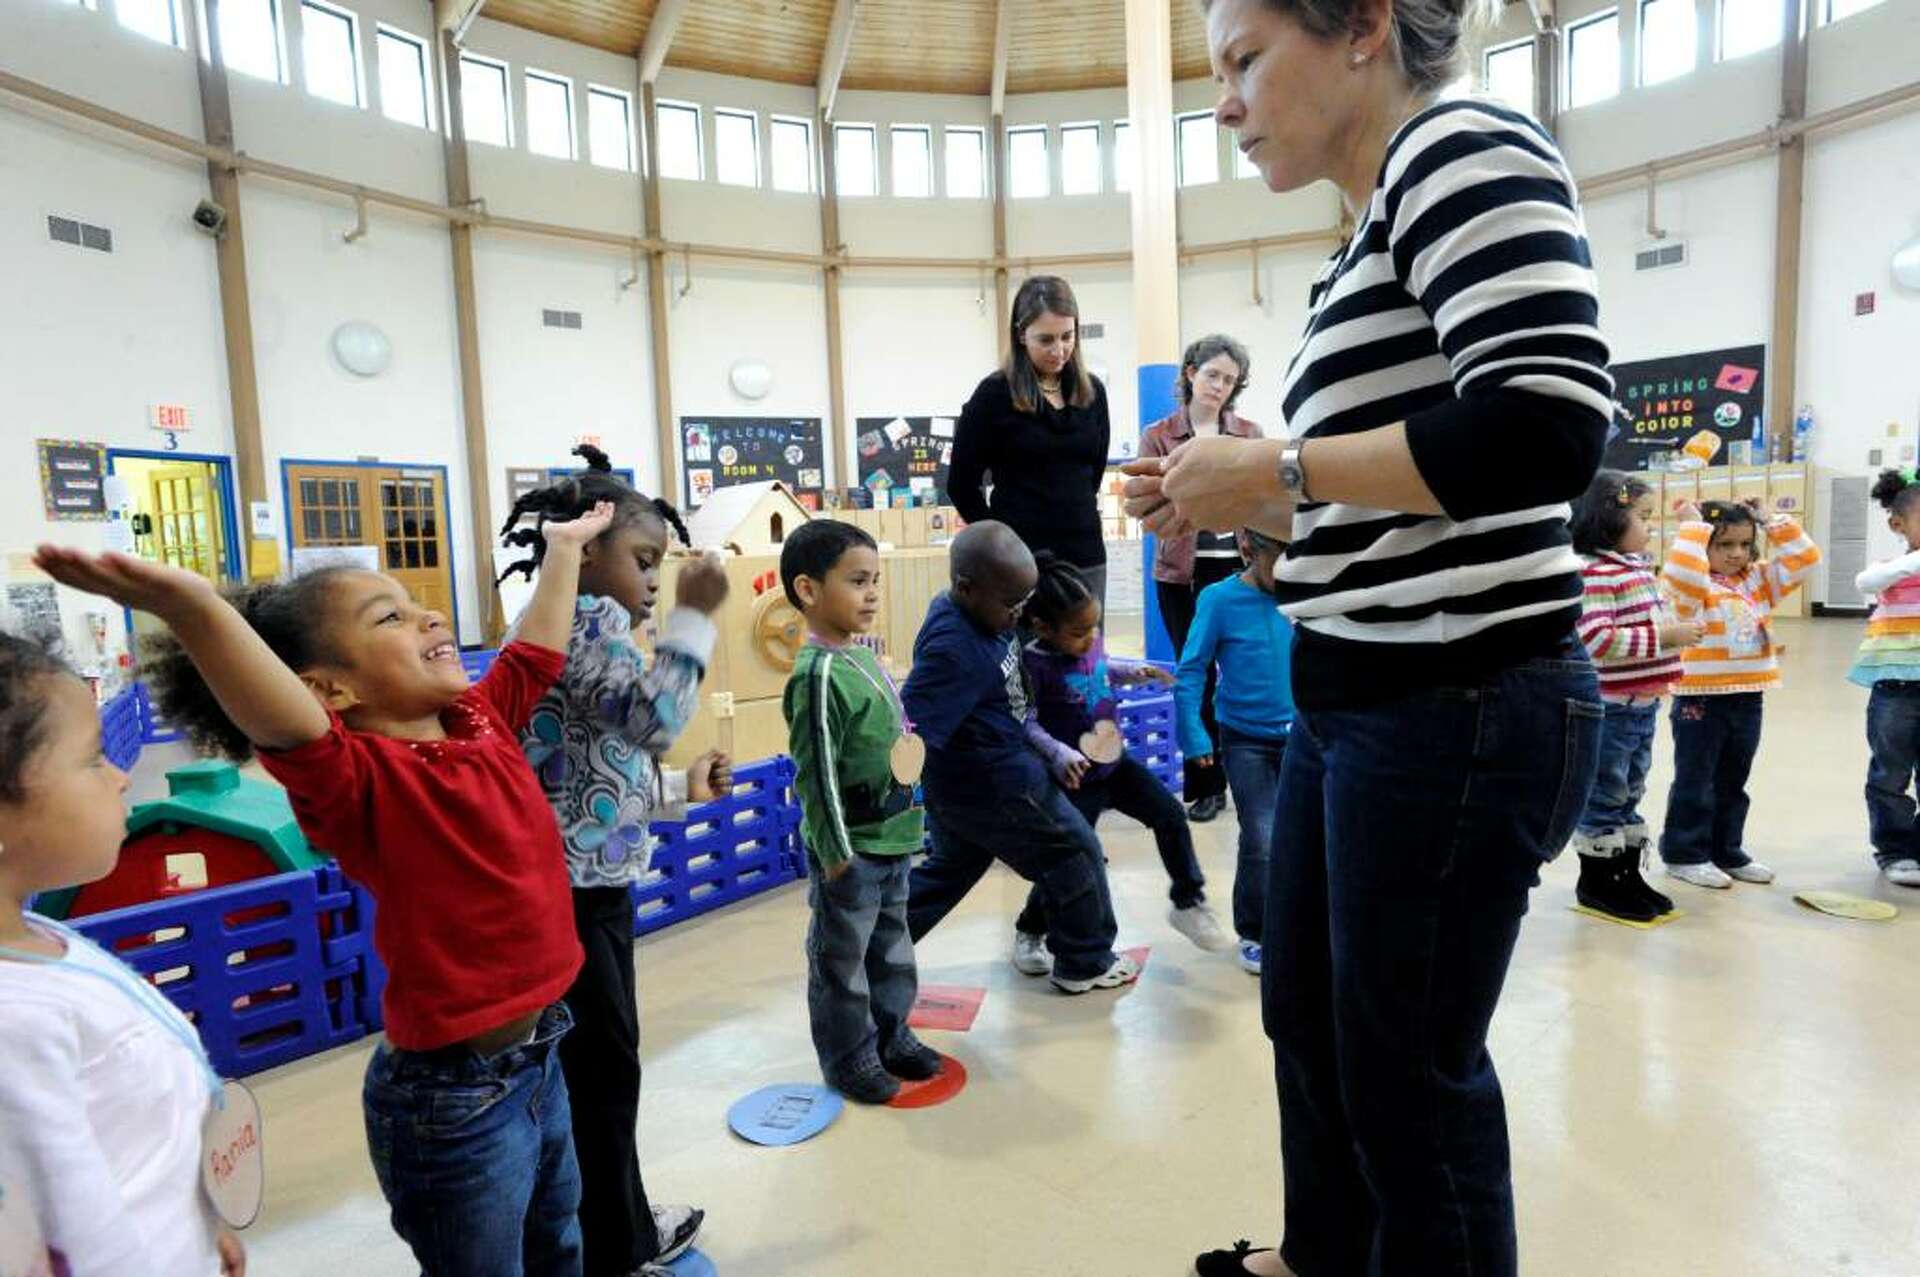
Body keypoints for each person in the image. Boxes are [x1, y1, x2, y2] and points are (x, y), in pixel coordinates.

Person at [1129, 2, 1614, 1272]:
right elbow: (1380, 505)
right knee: (1313, 1019)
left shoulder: (1463, 146)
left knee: (1410, 1081)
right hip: (1361, 697)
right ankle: (1323, 1250)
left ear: (1362, 28)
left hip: (1454, 698)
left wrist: (1278, 465)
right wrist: (1231, 495)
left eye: (1243, 61)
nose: (1223, 102)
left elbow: (1544, 430)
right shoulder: (1367, 231)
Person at [35, 502, 615, 1277]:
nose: (429, 615)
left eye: (416, 605)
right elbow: (281, 719)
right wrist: (194, 607)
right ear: (331, 691)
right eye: (391, 618)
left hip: (542, 1053)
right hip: (455, 1098)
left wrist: (565, 548)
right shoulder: (356, 779)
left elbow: (536, 648)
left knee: (559, 1245)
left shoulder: (478, 719)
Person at [502, 447, 726, 1275]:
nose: (654, 581)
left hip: (571, 885)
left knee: (599, 1069)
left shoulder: (563, 626)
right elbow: (655, 715)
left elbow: (592, 769)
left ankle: (618, 1220)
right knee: (603, 1073)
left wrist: (674, 788)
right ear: (584, 549)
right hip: (576, 898)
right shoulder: (582, 621)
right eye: (643, 561)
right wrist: (697, 616)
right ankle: (613, 1247)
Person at [0, 633, 245, 1277]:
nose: (118, 777)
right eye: (90, 761)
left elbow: (133, 1136)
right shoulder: (13, 1023)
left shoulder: (43, 941)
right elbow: (70, 1237)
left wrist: (199, 1217)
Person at [902, 521, 1139, 994]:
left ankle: (872, 948)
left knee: (953, 869)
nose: (1020, 615)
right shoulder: (954, 648)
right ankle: (1083, 961)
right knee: (1074, 849)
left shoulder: (974, 611)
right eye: (1011, 606)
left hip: (980, 777)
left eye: (1024, 603)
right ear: (967, 588)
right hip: (991, 781)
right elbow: (913, 728)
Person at [779, 520, 942, 1104]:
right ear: (808, 590)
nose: (872, 593)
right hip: (852, 850)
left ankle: (894, 1038)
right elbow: (815, 772)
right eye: (857, 580)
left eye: (875, 580)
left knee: (893, 948)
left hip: (896, 837)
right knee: (841, 962)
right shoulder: (818, 674)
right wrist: (833, 851)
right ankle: (850, 1059)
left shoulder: (862, 657)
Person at [1014, 552, 1227, 972]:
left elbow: (1104, 669)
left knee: (1168, 815)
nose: (1090, 636)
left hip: (1116, 764)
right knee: (1071, 858)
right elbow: (1026, 721)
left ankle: (1188, 900)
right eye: (1078, 631)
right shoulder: (1033, 664)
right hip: (1076, 779)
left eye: (1094, 626)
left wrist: (1137, 671)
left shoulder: (1089, 642)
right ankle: (1030, 929)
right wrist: (1060, 754)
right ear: (1042, 627)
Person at [1658, 499, 1821, 889]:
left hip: (1749, 695)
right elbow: (1680, 573)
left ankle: (1726, 850)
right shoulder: (1692, 587)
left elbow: (1806, 559)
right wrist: (1693, 529)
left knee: (1733, 780)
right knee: (1696, 780)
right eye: (1724, 545)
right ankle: (1685, 853)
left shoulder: (1756, 581)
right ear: (1704, 547)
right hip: (1700, 698)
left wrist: (1771, 520)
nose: (1736, 554)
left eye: (1745, 544)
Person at [1567, 471, 1702, 922]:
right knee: (1605, 794)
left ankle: (1625, 876)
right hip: (1611, 709)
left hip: (1641, 707)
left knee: (1629, 791)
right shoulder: (1597, 573)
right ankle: (1598, 883)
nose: (1651, 527)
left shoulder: (1635, 569)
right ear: (1608, 517)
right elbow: (1597, 640)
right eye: (1643, 517)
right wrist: (1665, 636)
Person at [1144, 335, 1264, 822]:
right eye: (1212, 374)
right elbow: (1153, 504)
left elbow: (1261, 498)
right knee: (1194, 679)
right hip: (1180, 573)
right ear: (1190, 373)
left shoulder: (1250, 434)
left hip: (1239, 568)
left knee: (1241, 675)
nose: (1219, 386)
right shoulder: (1160, 434)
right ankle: (1206, 786)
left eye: (1229, 380)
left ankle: (1249, 772)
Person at [947, 276, 1113, 608]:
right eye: (1046, 340)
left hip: (1086, 552)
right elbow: (961, 484)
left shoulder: (1092, 392)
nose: (1060, 350)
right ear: (1021, 335)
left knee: (1086, 657)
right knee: (1026, 658)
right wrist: (1000, 543)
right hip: (1019, 564)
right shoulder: (993, 395)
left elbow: (1093, 474)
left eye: (1068, 336)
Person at [1174, 528, 1295, 974]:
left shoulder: (1306, 596)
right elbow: (1191, 672)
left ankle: (1297, 922)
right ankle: (1256, 930)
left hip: (1304, 736)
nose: (1289, 570)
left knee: (1307, 835)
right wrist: (1194, 735)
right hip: (1245, 739)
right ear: (1248, 547)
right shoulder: (1218, 600)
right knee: (1262, 836)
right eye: (1280, 558)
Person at [1849, 469, 1920, 888]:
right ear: (1898, 525)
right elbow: (1865, 582)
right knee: (1890, 774)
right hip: (1896, 688)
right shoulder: (1890, 569)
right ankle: (1894, 850)